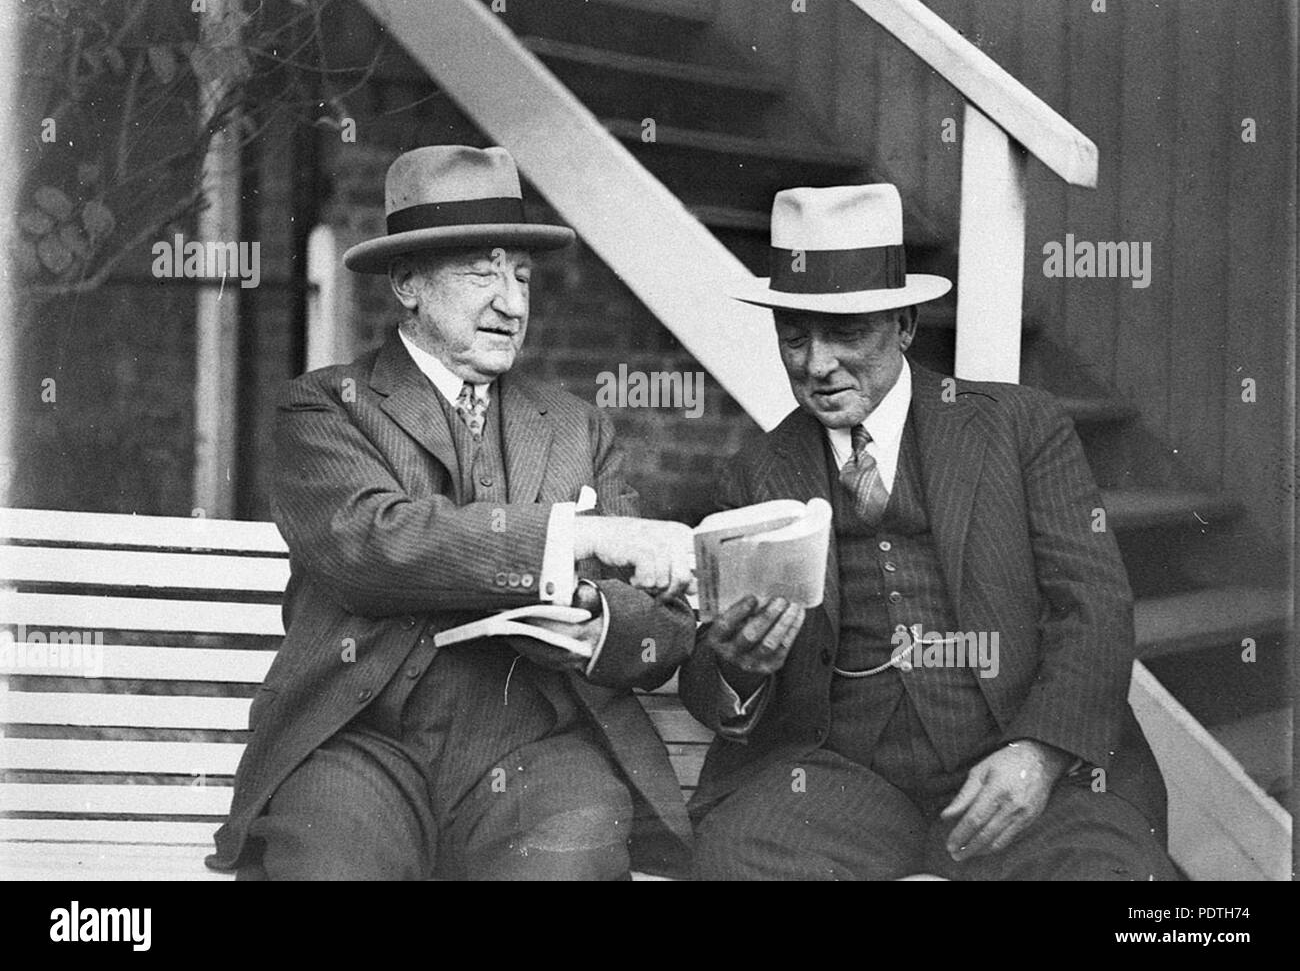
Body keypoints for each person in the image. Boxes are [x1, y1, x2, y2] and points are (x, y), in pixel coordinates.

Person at [208, 145, 696, 880]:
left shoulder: (576, 428)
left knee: (571, 863)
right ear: (407, 282)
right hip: (364, 736)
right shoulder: (325, 407)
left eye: (522, 275)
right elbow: (372, 545)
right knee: (331, 865)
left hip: (536, 749)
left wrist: (599, 623)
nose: (512, 302)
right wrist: (576, 536)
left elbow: (663, 619)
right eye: (481, 273)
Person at [680, 183, 1176, 881]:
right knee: (736, 860)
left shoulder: (1018, 427)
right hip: (838, 781)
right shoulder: (755, 474)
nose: (817, 365)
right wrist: (737, 666)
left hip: (1008, 763)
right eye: (794, 336)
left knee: (1108, 873)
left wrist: (1040, 753)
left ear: (906, 324)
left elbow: (1093, 606)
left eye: (846, 332)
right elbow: (708, 683)